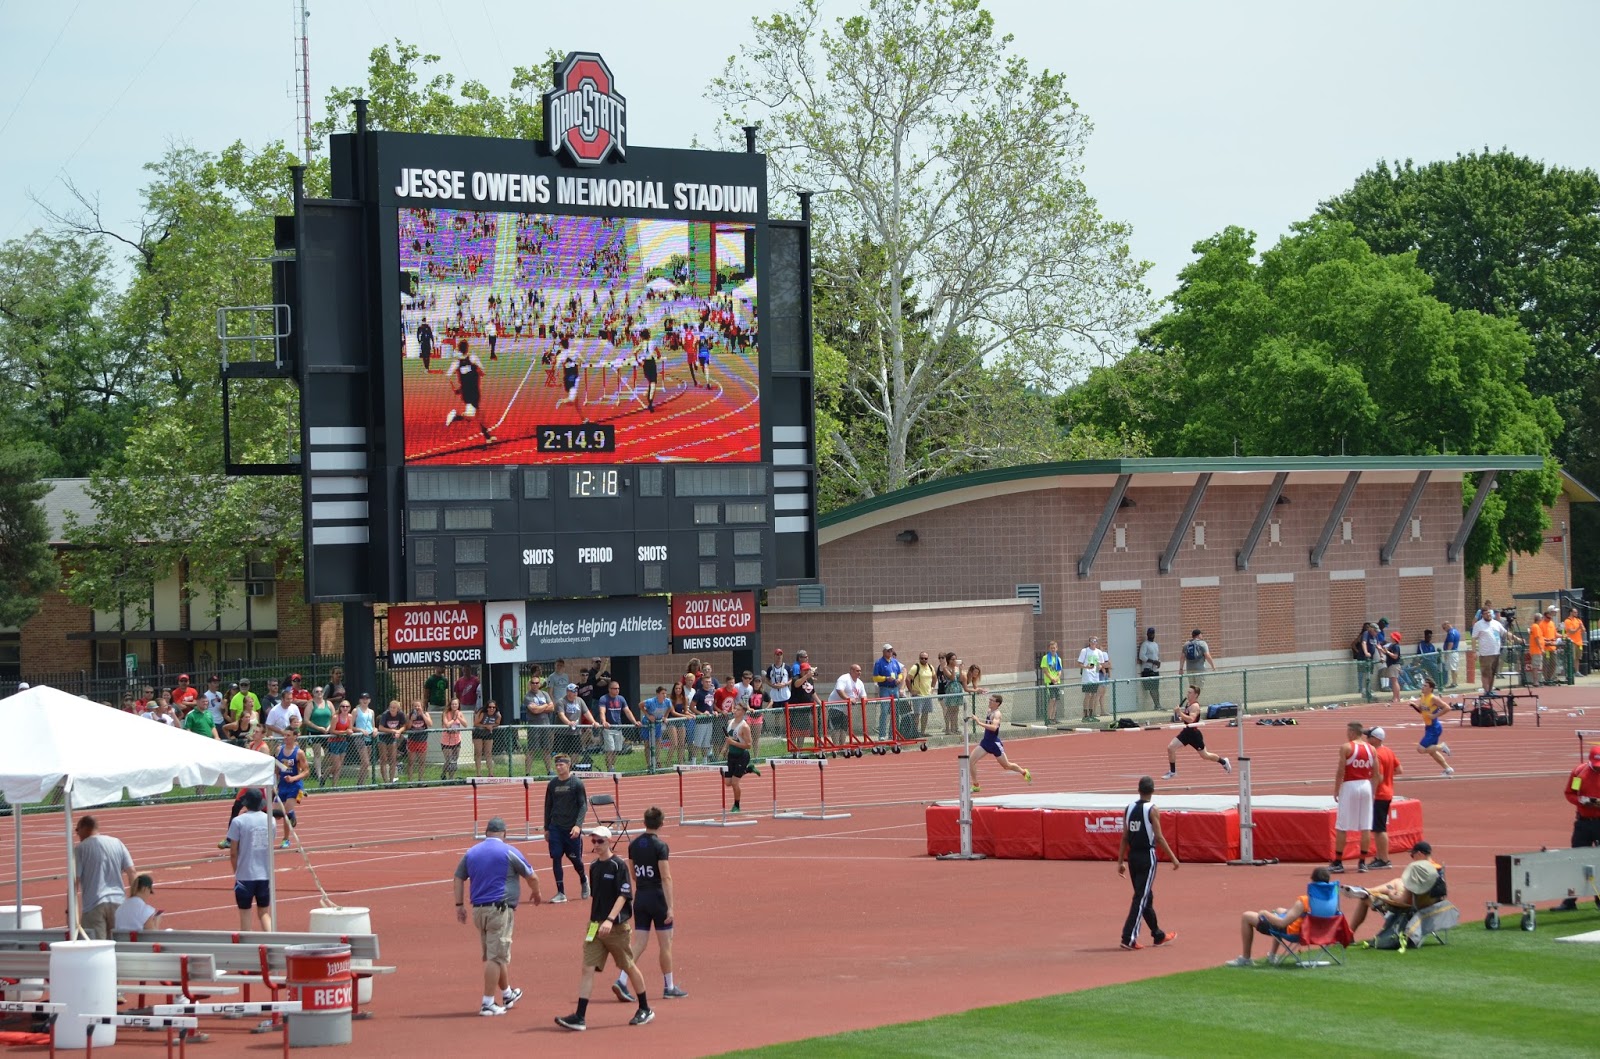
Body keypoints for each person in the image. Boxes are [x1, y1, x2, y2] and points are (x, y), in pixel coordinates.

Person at [556, 826, 653, 1031]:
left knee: (628, 965)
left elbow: (624, 895)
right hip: (595, 926)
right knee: (587, 967)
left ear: (609, 841)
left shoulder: (618, 865)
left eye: (600, 841)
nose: (597, 845)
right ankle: (580, 1016)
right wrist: (596, 923)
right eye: (594, 841)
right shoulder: (594, 867)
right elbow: (597, 898)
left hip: (616, 927)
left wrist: (610, 919)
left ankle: (645, 1008)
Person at [453, 815, 541, 1016]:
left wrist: (459, 905)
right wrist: (536, 892)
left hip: (479, 911)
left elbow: (458, 877)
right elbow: (532, 876)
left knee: (495, 953)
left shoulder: (472, 852)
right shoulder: (509, 851)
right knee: (496, 956)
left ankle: (507, 993)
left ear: (486, 833)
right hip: (499, 910)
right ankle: (487, 1002)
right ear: (504, 834)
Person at [611, 806, 687, 1002]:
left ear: (644, 822)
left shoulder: (633, 845)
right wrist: (670, 907)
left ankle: (622, 979)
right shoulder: (661, 846)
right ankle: (669, 987)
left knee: (639, 944)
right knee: (665, 944)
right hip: (658, 899)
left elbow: (633, 874)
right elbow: (666, 877)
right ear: (661, 824)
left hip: (641, 897)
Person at [1116, 775, 1179, 950]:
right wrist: (1173, 858)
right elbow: (1159, 837)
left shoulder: (1129, 808)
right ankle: (1128, 937)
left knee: (1145, 896)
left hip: (1133, 857)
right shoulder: (1152, 809)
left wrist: (1120, 861)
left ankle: (1158, 934)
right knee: (1141, 897)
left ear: (1138, 790)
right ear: (1153, 791)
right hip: (1146, 856)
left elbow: (1125, 837)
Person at [1225, 867, 1331, 966]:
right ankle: (1272, 955)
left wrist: (1265, 913)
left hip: (1295, 933)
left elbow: (1282, 923)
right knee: (1279, 910)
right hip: (1317, 934)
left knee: (1246, 916)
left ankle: (1246, 959)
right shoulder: (1331, 901)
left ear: (1312, 881)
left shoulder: (1305, 901)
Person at [1346, 844, 1444, 935]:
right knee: (1398, 881)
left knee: (1364, 898)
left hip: (1410, 910)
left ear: (1419, 854)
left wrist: (1391, 893)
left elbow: (1402, 900)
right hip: (1432, 908)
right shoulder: (1438, 869)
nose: (1412, 859)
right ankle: (1368, 890)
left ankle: (1349, 934)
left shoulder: (1416, 871)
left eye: (1412, 855)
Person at [75, 816, 135, 939]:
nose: (77, 833)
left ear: (85, 828)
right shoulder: (117, 843)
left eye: (77, 830)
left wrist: (70, 911)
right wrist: (134, 900)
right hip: (118, 902)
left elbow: (74, 882)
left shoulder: (80, 849)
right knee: (119, 944)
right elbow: (132, 872)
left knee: (97, 946)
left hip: (94, 905)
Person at [1557, 745, 1600, 910]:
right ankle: (1570, 901)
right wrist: (1581, 801)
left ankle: (1599, 898)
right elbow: (1570, 793)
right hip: (1583, 823)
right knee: (1576, 859)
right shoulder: (1579, 773)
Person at [1329, 721, 1375, 873]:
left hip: (1350, 785)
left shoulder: (1346, 747)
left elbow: (1341, 770)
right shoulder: (1371, 749)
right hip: (1366, 785)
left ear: (1353, 732)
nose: (1347, 735)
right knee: (1366, 825)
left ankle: (1338, 861)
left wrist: (1336, 789)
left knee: (1342, 825)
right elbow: (1376, 772)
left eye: (1348, 732)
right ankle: (1362, 862)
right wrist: (1373, 791)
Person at [227, 789, 274, 930]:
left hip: (245, 875)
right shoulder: (270, 820)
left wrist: (237, 871)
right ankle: (272, 938)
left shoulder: (238, 821)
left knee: (245, 914)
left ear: (246, 803)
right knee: (264, 913)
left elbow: (233, 851)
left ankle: (248, 941)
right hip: (265, 874)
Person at [545, 754, 589, 903]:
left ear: (568, 765)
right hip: (556, 827)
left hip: (571, 829)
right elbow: (548, 806)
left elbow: (583, 806)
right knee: (556, 857)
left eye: (561, 765)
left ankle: (583, 880)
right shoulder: (552, 784)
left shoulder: (577, 783)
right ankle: (561, 892)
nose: (558, 768)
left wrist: (578, 825)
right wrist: (546, 827)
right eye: (556, 765)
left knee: (576, 861)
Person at [1164, 685, 1230, 779]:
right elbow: (1186, 718)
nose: (1188, 694)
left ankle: (1224, 762)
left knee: (1205, 755)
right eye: (1188, 692)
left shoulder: (1195, 706)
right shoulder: (1188, 704)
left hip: (1194, 734)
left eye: (1190, 692)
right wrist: (1180, 716)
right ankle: (1173, 772)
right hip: (1186, 732)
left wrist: (1180, 713)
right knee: (1171, 748)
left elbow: (1191, 719)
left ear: (1196, 695)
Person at [969, 694, 1031, 793]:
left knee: (1006, 766)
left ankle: (1023, 772)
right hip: (985, 742)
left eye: (992, 700)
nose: (989, 701)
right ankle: (976, 785)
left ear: (997, 703)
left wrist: (979, 723)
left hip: (994, 744)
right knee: (971, 761)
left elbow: (994, 728)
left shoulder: (997, 714)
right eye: (989, 699)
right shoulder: (989, 711)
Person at [444, 338, 497, 444]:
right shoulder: (473, 358)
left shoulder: (457, 363)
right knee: (471, 415)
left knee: (479, 414)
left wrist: (455, 388)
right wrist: (477, 371)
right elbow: (482, 372)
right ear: (467, 348)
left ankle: (487, 437)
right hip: (473, 390)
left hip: (466, 391)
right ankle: (455, 416)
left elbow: (448, 375)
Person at [1365, 727, 1402, 868]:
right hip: (1387, 793)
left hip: (1379, 795)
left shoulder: (1377, 755)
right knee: (1379, 827)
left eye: (1369, 737)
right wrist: (1387, 776)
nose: (1367, 739)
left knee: (1379, 828)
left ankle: (1384, 859)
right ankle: (1380, 857)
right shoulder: (1388, 751)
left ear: (1376, 739)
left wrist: (1371, 792)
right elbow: (1399, 770)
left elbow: (1378, 777)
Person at [1410, 678, 1455, 777]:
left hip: (1434, 728)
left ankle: (1441, 746)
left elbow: (1447, 708)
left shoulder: (1433, 698)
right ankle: (1448, 769)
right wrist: (1414, 705)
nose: (1423, 687)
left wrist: (1435, 715)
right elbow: (1421, 710)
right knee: (1432, 752)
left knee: (1421, 749)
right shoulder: (1423, 697)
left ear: (1431, 689)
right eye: (1423, 685)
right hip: (1428, 727)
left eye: (1425, 686)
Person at [273, 728, 309, 848]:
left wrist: (293, 778)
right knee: (277, 815)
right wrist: (275, 781)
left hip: (295, 786)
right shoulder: (279, 749)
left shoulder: (299, 753)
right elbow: (277, 767)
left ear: (295, 737)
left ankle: (286, 839)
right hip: (282, 785)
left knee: (286, 812)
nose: (285, 737)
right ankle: (291, 814)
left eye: (288, 735)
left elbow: (306, 771)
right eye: (284, 735)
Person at [723, 701, 758, 813]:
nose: (734, 711)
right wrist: (725, 748)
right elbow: (728, 738)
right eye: (735, 709)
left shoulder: (744, 727)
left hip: (742, 756)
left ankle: (737, 805)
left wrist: (733, 743)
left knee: (734, 782)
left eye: (738, 709)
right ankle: (748, 769)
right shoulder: (730, 722)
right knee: (727, 782)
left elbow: (748, 745)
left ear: (743, 712)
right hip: (731, 755)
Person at [596, 680, 637, 773]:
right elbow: (602, 711)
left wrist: (634, 722)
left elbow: (627, 711)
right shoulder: (604, 699)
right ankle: (609, 768)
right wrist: (604, 721)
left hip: (618, 728)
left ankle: (612, 766)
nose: (617, 690)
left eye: (618, 688)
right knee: (610, 749)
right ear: (609, 689)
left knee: (616, 750)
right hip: (608, 729)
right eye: (615, 688)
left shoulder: (621, 699)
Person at [523, 676, 557, 776]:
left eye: (537, 683)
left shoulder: (545, 694)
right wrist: (545, 705)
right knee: (532, 750)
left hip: (546, 725)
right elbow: (534, 710)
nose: (535, 685)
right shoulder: (528, 696)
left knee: (547, 749)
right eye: (533, 683)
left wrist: (540, 708)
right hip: (534, 726)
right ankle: (527, 773)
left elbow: (552, 708)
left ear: (539, 684)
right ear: (530, 684)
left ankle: (549, 771)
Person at [1472, 608, 1510, 695]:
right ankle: (1486, 691)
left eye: (1489, 613)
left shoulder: (1496, 623)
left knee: (1493, 673)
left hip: (1496, 653)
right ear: (1482, 615)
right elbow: (1473, 639)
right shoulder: (1478, 624)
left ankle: (1490, 690)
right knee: (1485, 673)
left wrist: (1517, 639)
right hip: (1485, 654)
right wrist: (1474, 652)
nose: (1488, 615)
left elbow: (1505, 633)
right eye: (1486, 613)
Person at [871, 643, 904, 740]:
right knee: (884, 712)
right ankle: (882, 734)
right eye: (888, 651)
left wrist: (899, 679)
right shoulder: (879, 663)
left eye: (891, 651)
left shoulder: (895, 661)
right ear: (884, 652)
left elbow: (900, 673)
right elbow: (875, 677)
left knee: (895, 712)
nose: (890, 652)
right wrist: (885, 678)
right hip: (884, 688)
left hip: (895, 688)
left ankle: (893, 733)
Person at [829, 663, 868, 742]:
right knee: (836, 728)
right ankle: (836, 746)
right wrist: (849, 699)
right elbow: (839, 690)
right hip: (835, 707)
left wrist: (864, 701)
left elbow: (864, 695)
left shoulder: (860, 683)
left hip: (846, 710)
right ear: (852, 671)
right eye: (857, 671)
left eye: (860, 671)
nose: (859, 673)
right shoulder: (844, 678)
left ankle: (842, 746)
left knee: (844, 729)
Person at [303, 686, 334, 783]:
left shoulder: (329, 703)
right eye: (317, 691)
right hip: (314, 732)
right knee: (317, 754)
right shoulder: (311, 705)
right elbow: (306, 720)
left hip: (327, 732)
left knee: (329, 753)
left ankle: (325, 772)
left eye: (321, 691)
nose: (319, 693)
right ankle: (319, 775)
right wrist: (318, 728)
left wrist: (329, 727)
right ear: (313, 693)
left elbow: (334, 717)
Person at [639, 685, 671, 772]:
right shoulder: (651, 701)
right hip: (647, 723)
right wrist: (648, 715)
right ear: (657, 694)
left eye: (665, 693)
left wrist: (665, 717)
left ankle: (656, 761)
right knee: (647, 744)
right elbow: (640, 705)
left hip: (657, 724)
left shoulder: (667, 701)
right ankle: (649, 764)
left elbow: (670, 708)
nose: (664, 695)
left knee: (658, 742)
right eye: (662, 693)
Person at [326, 698, 355, 787]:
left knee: (339, 765)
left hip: (343, 741)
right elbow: (332, 731)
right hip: (334, 742)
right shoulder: (335, 717)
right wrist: (345, 732)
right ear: (340, 707)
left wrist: (349, 731)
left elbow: (350, 728)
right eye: (343, 706)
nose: (345, 708)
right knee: (336, 765)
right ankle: (324, 776)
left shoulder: (350, 717)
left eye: (347, 706)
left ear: (349, 708)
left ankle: (334, 785)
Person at [1077, 636, 1106, 722]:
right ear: (1089, 642)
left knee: (1093, 695)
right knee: (1088, 695)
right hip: (1087, 677)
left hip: (1095, 677)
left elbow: (1101, 664)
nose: (1093, 643)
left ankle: (1091, 714)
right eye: (1092, 641)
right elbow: (1079, 663)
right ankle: (1085, 715)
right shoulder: (1085, 651)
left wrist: (1098, 668)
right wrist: (1087, 667)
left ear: (1097, 642)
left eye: (1095, 641)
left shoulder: (1099, 652)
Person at [404, 699, 433, 783]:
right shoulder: (409, 714)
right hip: (412, 740)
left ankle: (421, 780)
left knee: (422, 762)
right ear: (412, 707)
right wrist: (411, 719)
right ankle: (410, 781)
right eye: (415, 706)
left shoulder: (426, 714)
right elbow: (407, 727)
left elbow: (430, 724)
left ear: (421, 706)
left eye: (418, 706)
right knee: (411, 762)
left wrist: (422, 715)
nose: (417, 707)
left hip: (422, 740)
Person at [473, 698, 503, 777]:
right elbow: (476, 723)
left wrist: (491, 726)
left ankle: (491, 773)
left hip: (488, 733)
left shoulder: (497, 715)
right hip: (478, 733)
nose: (491, 709)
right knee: (478, 752)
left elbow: (497, 723)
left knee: (488, 753)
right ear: (487, 707)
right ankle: (478, 773)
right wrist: (486, 726)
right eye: (490, 707)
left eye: (493, 707)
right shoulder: (482, 713)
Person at [351, 692, 376, 786]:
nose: (365, 700)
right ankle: (360, 783)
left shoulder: (371, 712)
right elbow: (351, 726)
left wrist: (375, 730)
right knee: (366, 762)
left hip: (369, 737)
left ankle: (361, 782)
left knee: (365, 763)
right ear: (360, 700)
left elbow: (373, 725)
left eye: (366, 699)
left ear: (369, 700)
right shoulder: (356, 711)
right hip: (360, 737)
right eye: (363, 699)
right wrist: (360, 730)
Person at [1179, 629, 1215, 694]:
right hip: (1199, 669)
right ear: (1198, 635)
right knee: (1198, 689)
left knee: (1192, 689)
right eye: (1201, 634)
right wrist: (1213, 666)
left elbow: (1182, 657)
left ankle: (1192, 699)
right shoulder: (1202, 643)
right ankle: (1196, 700)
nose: (1202, 636)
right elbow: (1207, 655)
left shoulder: (1186, 644)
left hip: (1189, 669)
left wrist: (1181, 669)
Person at [936, 652, 963, 736]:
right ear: (948, 660)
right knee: (950, 710)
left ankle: (954, 728)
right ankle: (948, 729)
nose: (954, 661)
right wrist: (954, 668)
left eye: (955, 659)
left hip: (958, 690)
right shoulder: (945, 668)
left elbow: (960, 679)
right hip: (950, 690)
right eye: (952, 659)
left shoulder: (957, 668)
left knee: (956, 710)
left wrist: (960, 669)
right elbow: (952, 678)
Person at [440, 697, 466, 781]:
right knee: (449, 760)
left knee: (454, 760)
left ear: (458, 705)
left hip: (456, 740)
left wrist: (459, 717)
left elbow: (465, 725)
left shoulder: (459, 713)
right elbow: (447, 725)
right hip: (446, 741)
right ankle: (443, 774)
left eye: (456, 704)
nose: (454, 706)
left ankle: (451, 778)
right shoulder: (445, 713)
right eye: (453, 704)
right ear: (450, 705)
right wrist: (454, 719)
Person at [1039, 640, 1064, 725]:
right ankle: (1049, 718)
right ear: (1049, 649)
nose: (1053, 649)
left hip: (1057, 682)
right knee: (1052, 699)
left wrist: (1056, 678)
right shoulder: (1045, 658)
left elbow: (1059, 671)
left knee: (1056, 700)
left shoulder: (1058, 659)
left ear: (1057, 648)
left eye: (1054, 648)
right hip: (1049, 682)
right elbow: (1045, 670)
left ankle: (1053, 718)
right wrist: (1052, 678)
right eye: (1051, 648)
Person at [1136, 629, 1162, 713]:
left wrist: (1158, 662)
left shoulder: (1155, 644)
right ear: (1147, 634)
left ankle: (1158, 705)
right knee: (1152, 688)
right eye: (1150, 633)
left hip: (1154, 669)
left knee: (1156, 688)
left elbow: (1156, 656)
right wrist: (1153, 661)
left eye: (1153, 633)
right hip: (1147, 669)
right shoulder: (1145, 644)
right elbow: (1141, 656)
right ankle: (1157, 705)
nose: (1152, 635)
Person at [1562, 607, 1585, 682]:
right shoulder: (1567, 621)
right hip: (1572, 641)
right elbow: (1571, 631)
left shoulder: (1578, 620)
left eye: (1576, 612)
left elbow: (1583, 630)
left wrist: (1582, 628)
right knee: (1572, 657)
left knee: (1577, 658)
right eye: (1575, 612)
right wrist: (1578, 628)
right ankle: (1570, 672)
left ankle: (1577, 671)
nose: (1576, 613)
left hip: (1579, 642)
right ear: (1571, 612)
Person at [1441, 621, 1462, 687]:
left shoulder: (1451, 633)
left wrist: (1447, 653)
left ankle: (1454, 683)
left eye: (1444, 628)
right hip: (1455, 652)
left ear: (1447, 625)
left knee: (1453, 669)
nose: (1444, 630)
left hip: (1451, 653)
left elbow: (1450, 644)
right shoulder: (1456, 631)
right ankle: (1455, 682)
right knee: (1455, 668)